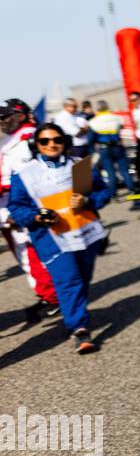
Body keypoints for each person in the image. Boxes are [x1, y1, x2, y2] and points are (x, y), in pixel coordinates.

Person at [8, 123, 112, 353]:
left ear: (65, 142)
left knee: (82, 279)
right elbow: (16, 207)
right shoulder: (24, 173)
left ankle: (75, 313)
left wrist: (88, 201)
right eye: (44, 141)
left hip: (86, 233)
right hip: (50, 237)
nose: (51, 144)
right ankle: (80, 329)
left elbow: (103, 191)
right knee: (69, 281)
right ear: (36, 145)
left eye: (57, 140)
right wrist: (36, 215)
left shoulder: (79, 166)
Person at [0, 102, 60, 318]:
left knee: (30, 251)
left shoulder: (27, 137)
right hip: (9, 205)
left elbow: (27, 175)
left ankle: (53, 296)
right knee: (24, 251)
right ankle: (48, 294)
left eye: (8, 117)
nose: (4, 122)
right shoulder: (10, 139)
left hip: (17, 203)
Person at [87, 100, 137, 196]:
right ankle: (132, 189)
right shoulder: (117, 118)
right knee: (125, 170)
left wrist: (92, 151)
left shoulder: (93, 122)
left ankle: (113, 193)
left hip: (104, 148)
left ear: (97, 109)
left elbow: (90, 139)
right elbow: (121, 128)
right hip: (118, 146)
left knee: (110, 172)